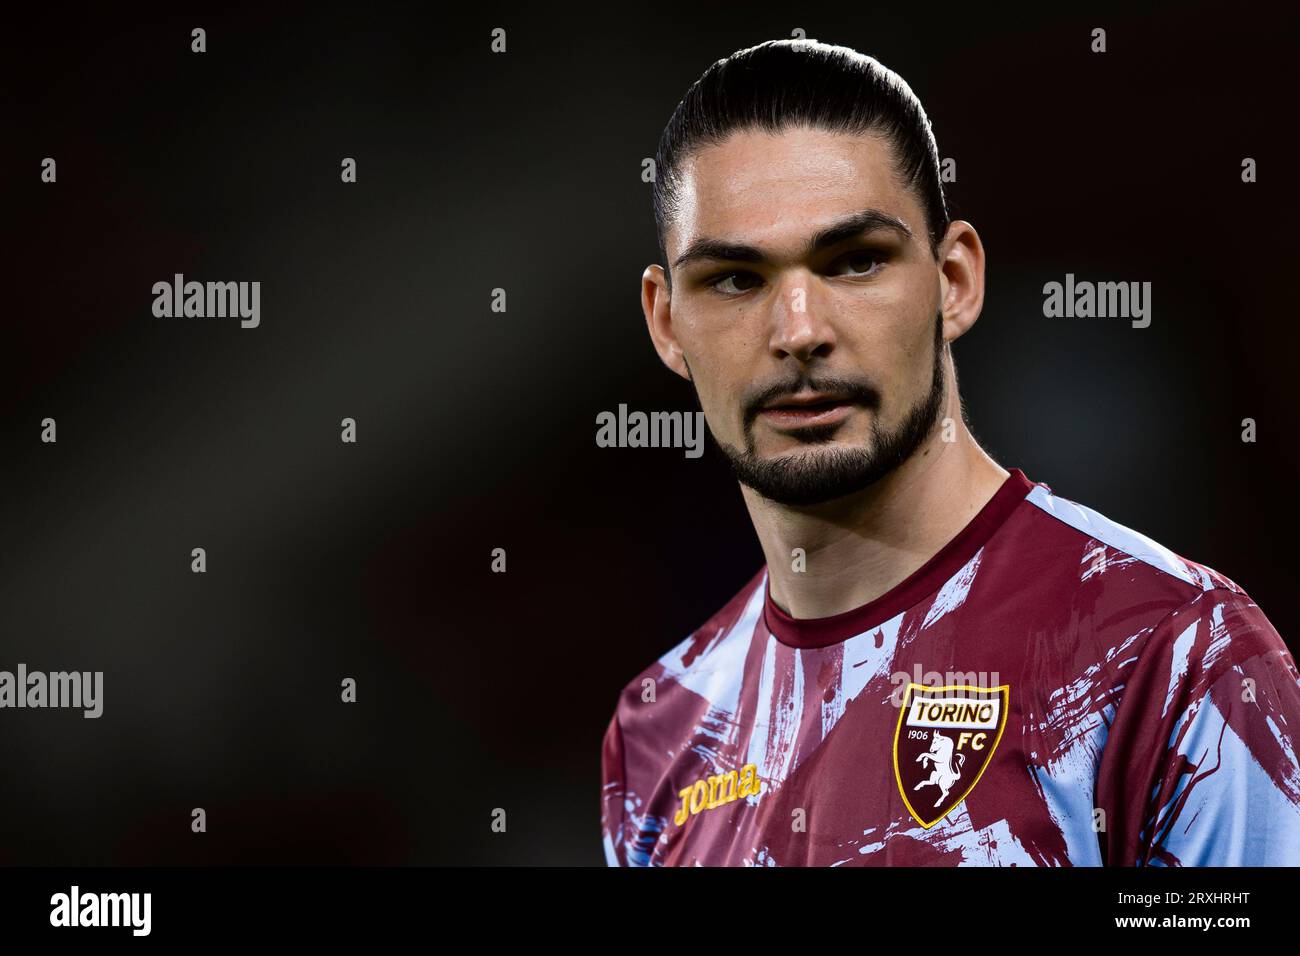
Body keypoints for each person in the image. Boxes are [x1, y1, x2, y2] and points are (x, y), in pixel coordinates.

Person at [600, 38, 1300, 866]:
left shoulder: (1176, 657)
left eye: (855, 262)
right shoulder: (660, 732)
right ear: (667, 322)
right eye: (734, 279)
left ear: (955, 280)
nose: (799, 333)